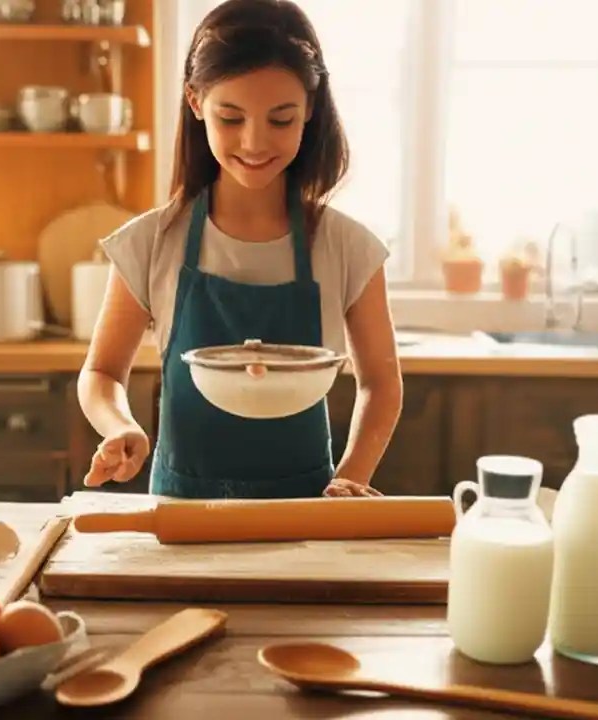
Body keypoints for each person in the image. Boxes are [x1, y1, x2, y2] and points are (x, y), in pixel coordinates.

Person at [77, 0, 402, 499]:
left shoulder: (346, 246)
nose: (254, 142)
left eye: (281, 119)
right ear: (195, 102)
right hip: (179, 511)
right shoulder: (151, 242)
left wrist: (352, 478)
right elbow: (101, 373)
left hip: (309, 513)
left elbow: (381, 385)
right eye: (230, 117)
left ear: (310, 111)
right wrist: (120, 426)